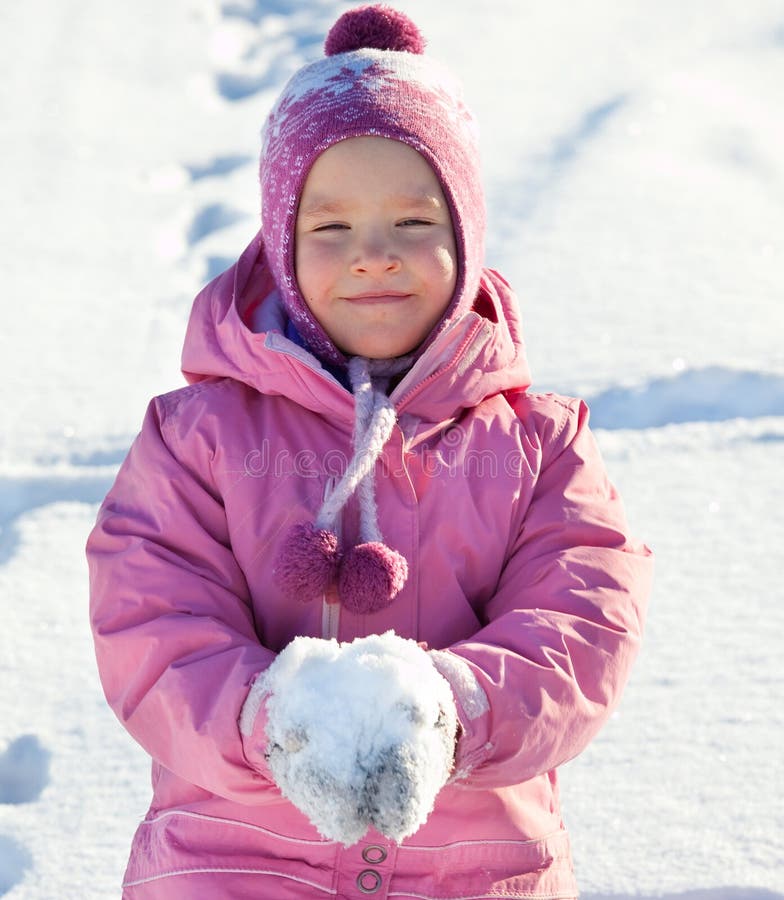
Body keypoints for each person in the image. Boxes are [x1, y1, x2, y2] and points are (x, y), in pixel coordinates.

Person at [87, 5, 653, 898]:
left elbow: (582, 624)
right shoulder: (198, 438)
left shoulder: (540, 446)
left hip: (477, 870)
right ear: (282, 246)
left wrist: (452, 708)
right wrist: (273, 721)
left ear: (466, 235)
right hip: (234, 861)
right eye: (331, 229)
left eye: (414, 224)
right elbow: (151, 623)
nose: (375, 257)